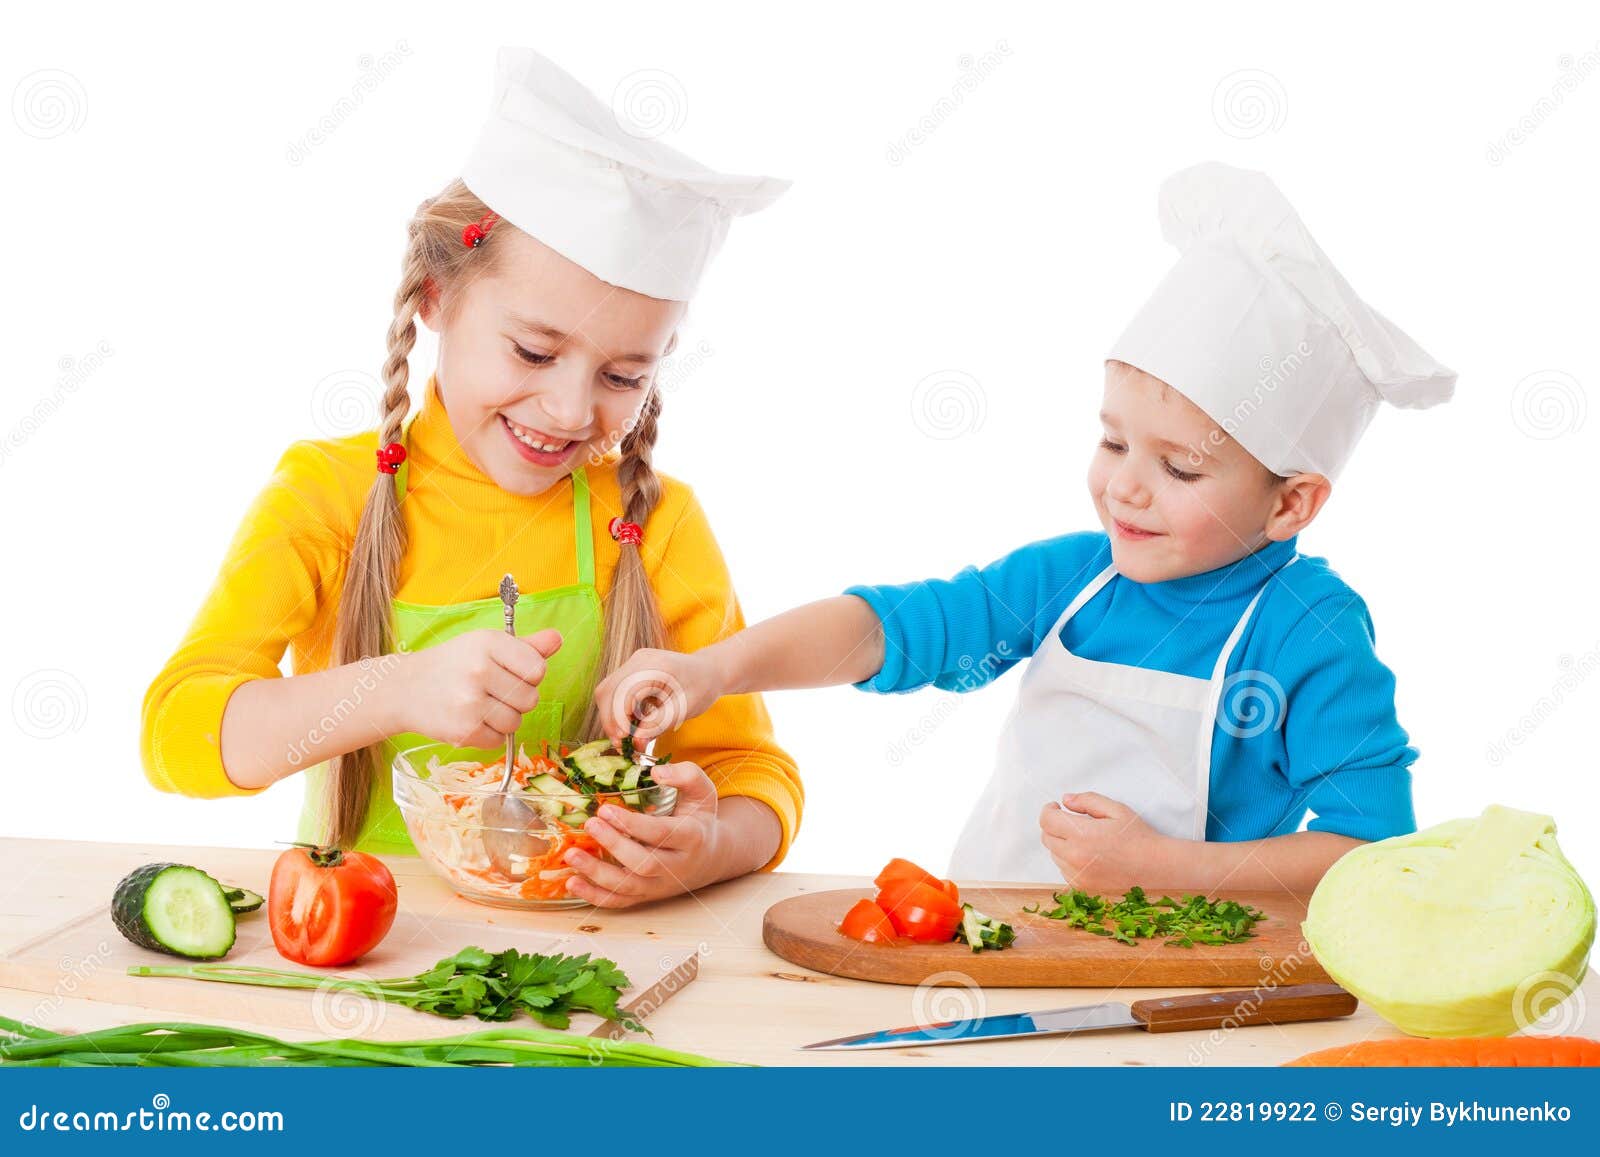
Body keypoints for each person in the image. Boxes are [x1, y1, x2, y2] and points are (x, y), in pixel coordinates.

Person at [597, 162, 1454, 893]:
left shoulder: (1311, 630)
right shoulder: (1074, 579)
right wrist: (713, 669)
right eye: (1113, 440)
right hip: (994, 954)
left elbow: (1368, 849)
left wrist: (1159, 865)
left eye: (1179, 467)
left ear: (1290, 503)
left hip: (1178, 988)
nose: (1126, 487)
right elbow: (887, 629)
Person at [142, 47, 803, 907]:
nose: (570, 411)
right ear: (435, 297)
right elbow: (178, 735)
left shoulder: (660, 522)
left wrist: (706, 843)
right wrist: (396, 686)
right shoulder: (328, 494)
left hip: (579, 964)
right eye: (533, 350)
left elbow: (753, 773)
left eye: (622, 376)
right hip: (360, 950)